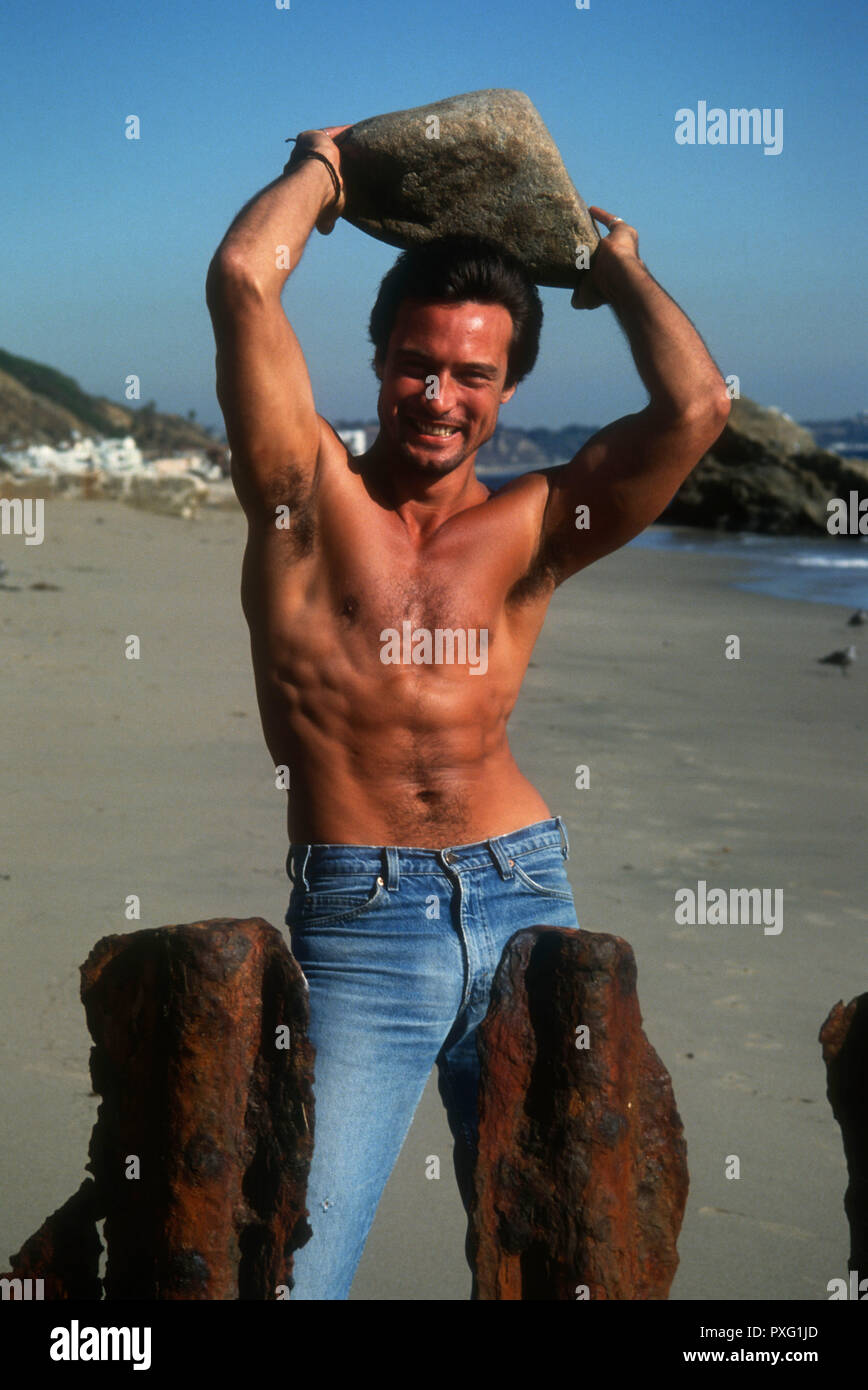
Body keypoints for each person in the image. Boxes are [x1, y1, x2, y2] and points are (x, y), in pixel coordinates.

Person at [205, 124, 730, 1299]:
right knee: (293, 1271)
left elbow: (693, 406)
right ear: (382, 356)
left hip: (528, 900)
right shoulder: (301, 499)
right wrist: (324, 175)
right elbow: (246, 277)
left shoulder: (537, 528)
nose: (439, 397)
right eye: (415, 363)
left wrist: (616, 274)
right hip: (363, 924)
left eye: (473, 374)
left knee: (565, 1266)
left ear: (507, 387)